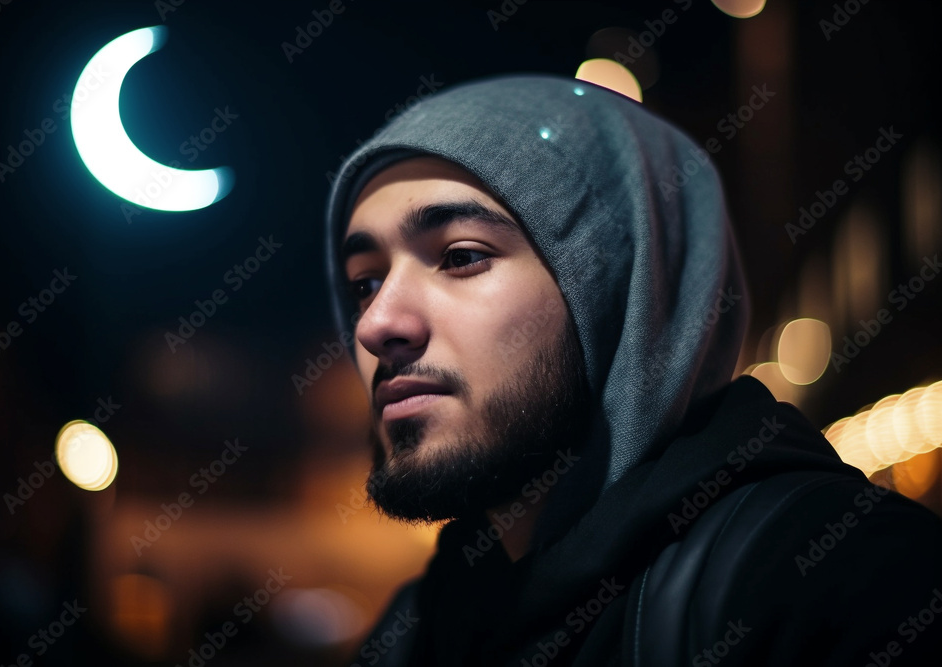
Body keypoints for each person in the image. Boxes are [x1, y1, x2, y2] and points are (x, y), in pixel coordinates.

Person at [322, 73, 942, 666]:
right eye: (364, 284)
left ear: (623, 295)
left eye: (460, 256)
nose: (378, 324)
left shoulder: (856, 583)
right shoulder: (417, 628)